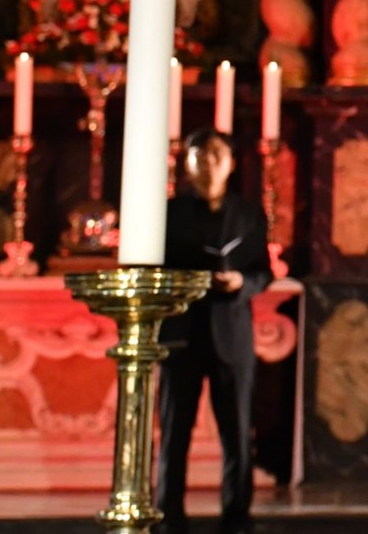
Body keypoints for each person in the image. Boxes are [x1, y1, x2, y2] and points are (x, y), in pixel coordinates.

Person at [156, 129, 273, 534]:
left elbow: (264, 271)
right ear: (186, 162)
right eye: (199, 155)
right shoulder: (168, 213)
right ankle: (168, 517)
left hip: (231, 333)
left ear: (231, 162)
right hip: (182, 333)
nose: (208, 163)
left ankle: (237, 519)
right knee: (174, 434)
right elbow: (157, 270)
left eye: (216, 155)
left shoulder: (249, 214)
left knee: (238, 434)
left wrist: (242, 283)